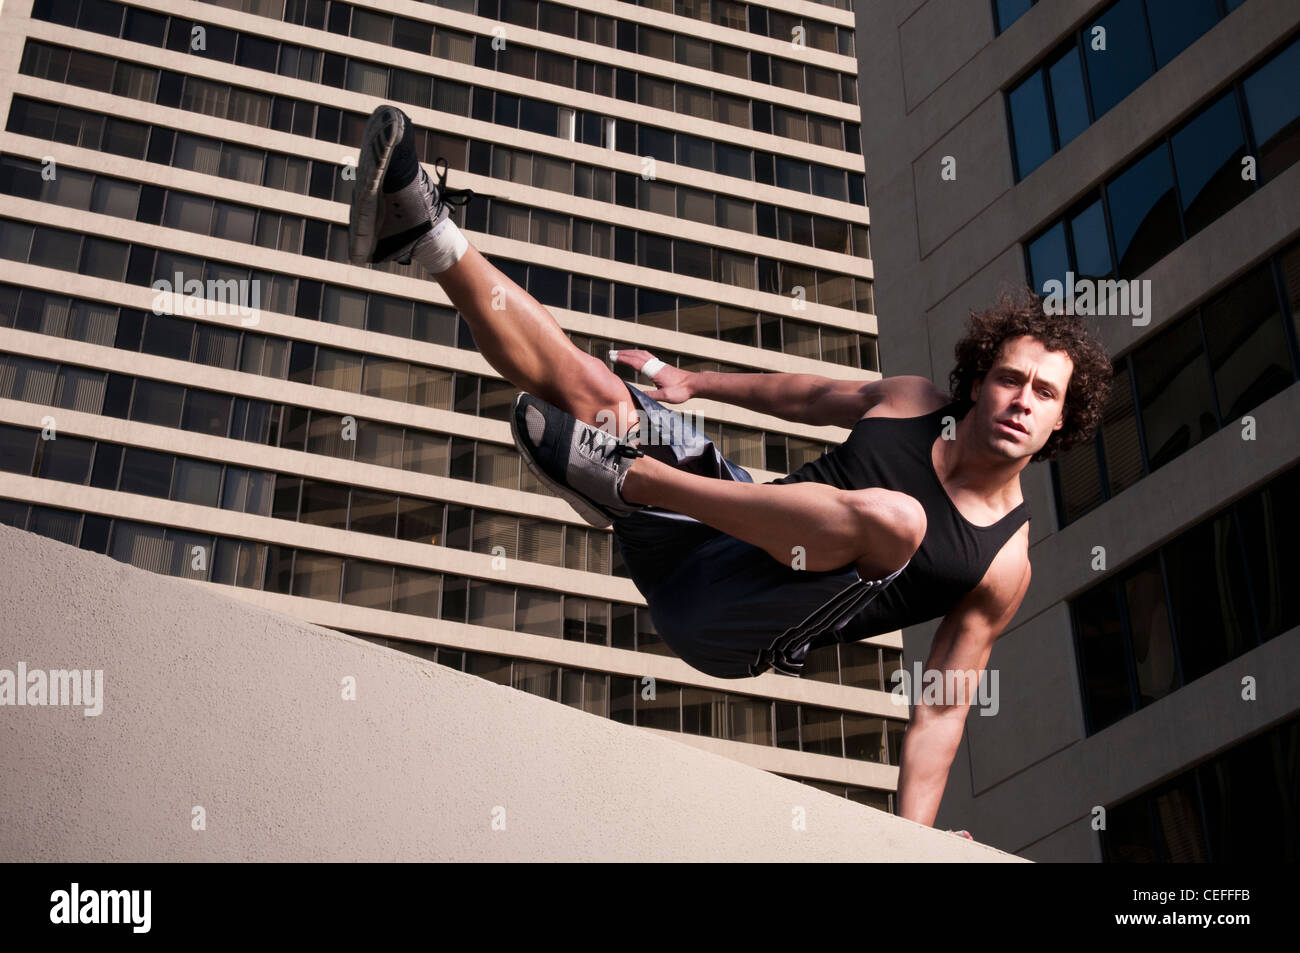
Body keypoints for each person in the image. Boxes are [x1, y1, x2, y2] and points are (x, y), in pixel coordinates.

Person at [348, 105, 1113, 827]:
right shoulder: (914, 401)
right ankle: (424, 230)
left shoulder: (1004, 561)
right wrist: (693, 383)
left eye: (1044, 392)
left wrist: (910, 843)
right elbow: (809, 394)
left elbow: (943, 709)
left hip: (736, 623)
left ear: (1059, 420)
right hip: (716, 522)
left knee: (898, 519)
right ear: (980, 379)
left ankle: (629, 478)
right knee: (596, 391)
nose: (1021, 399)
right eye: (1011, 378)